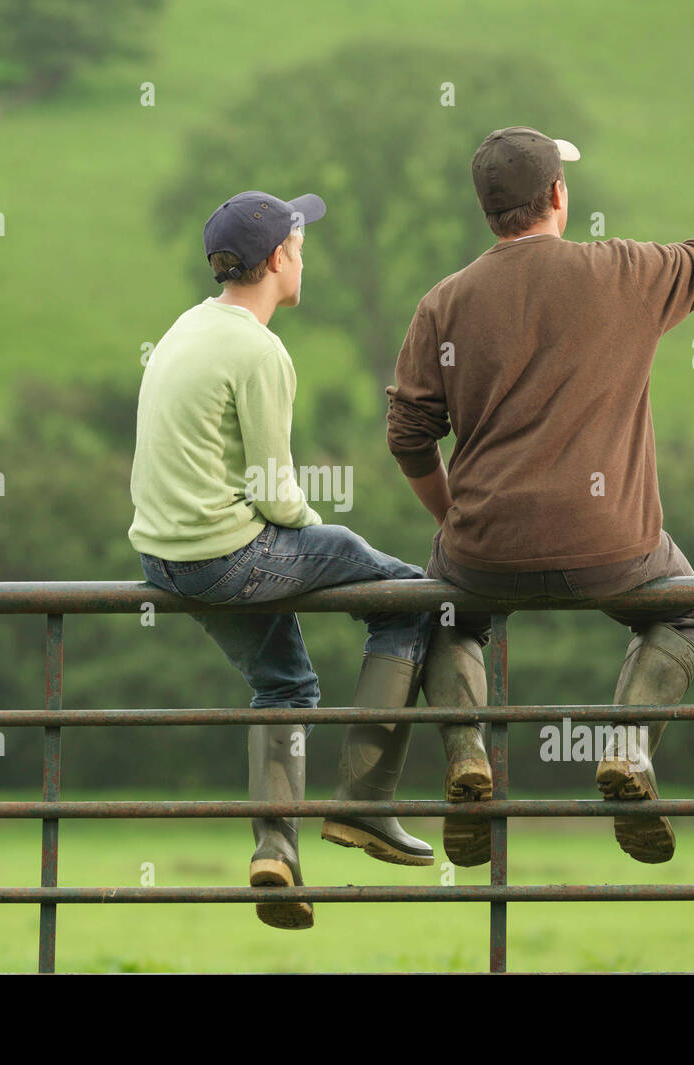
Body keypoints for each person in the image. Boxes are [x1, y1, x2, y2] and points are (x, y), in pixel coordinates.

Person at [391, 128, 694, 864]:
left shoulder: (442, 303)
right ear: (557, 196)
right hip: (613, 544)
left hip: (482, 548)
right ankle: (630, 750)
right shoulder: (625, 272)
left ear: (488, 211)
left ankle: (466, 757)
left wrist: (453, 519)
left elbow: (408, 434)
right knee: (689, 607)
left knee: (442, 612)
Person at [128, 190, 489, 929]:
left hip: (162, 556)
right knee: (406, 592)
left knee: (285, 684)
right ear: (278, 259)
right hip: (224, 554)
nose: (306, 254)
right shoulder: (259, 349)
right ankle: (363, 801)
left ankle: (276, 850)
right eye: (300, 241)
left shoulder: (186, 326)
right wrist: (321, 542)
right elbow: (276, 493)